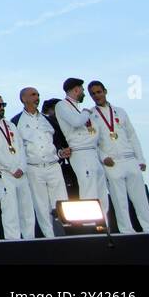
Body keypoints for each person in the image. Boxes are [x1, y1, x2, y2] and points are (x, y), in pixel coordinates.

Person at [88, 80, 149, 234]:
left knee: (140, 198)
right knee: (119, 200)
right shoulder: (90, 115)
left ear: (105, 91)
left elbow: (132, 135)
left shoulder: (120, 111)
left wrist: (140, 159)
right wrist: (103, 157)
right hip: (112, 162)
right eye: (93, 94)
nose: (97, 96)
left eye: (99, 92)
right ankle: (127, 230)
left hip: (129, 159)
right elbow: (92, 142)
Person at [11, 87, 68, 237]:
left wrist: (62, 152)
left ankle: (65, 234)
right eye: (33, 95)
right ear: (24, 99)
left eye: (38, 94)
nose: (37, 97)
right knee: (41, 205)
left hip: (53, 166)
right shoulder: (16, 122)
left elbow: (58, 142)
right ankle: (50, 237)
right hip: (33, 168)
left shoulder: (48, 120)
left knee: (62, 202)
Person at [0, 94, 33, 240]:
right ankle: (13, 241)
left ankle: (30, 239)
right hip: (4, 172)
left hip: (20, 172)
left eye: (3, 105)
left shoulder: (10, 124)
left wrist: (22, 167)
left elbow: (21, 146)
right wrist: (11, 168)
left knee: (27, 209)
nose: (2, 108)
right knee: (10, 209)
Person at [53, 78, 107, 211]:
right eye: (82, 90)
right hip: (80, 152)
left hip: (92, 152)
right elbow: (76, 122)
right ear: (76, 89)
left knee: (101, 191)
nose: (83, 93)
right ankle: (92, 225)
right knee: (89, 190)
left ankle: (105, 224)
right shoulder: (62, 105)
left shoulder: (76, 108)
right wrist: (86, 112)